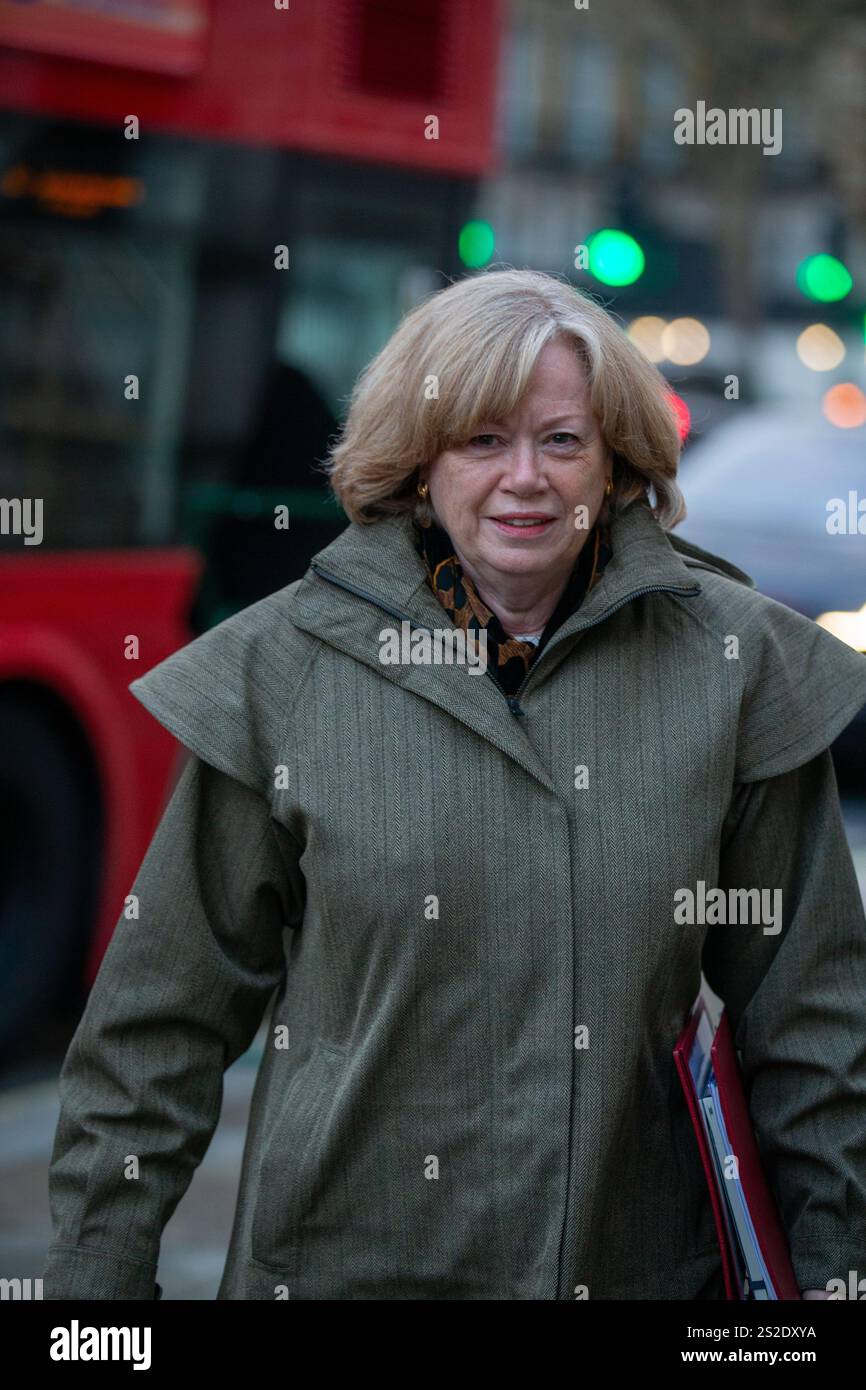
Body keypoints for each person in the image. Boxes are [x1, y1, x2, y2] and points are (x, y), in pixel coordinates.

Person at [43, 268, 866, 1300]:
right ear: (416, 461)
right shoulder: (280, 672)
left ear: (613, 462)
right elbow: (156, 1026)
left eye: (561, 440)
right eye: (481, 439)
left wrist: (837, 1277)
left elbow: (816, 1027)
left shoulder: (732, 667)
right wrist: (94, 1289)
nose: (524, 477)